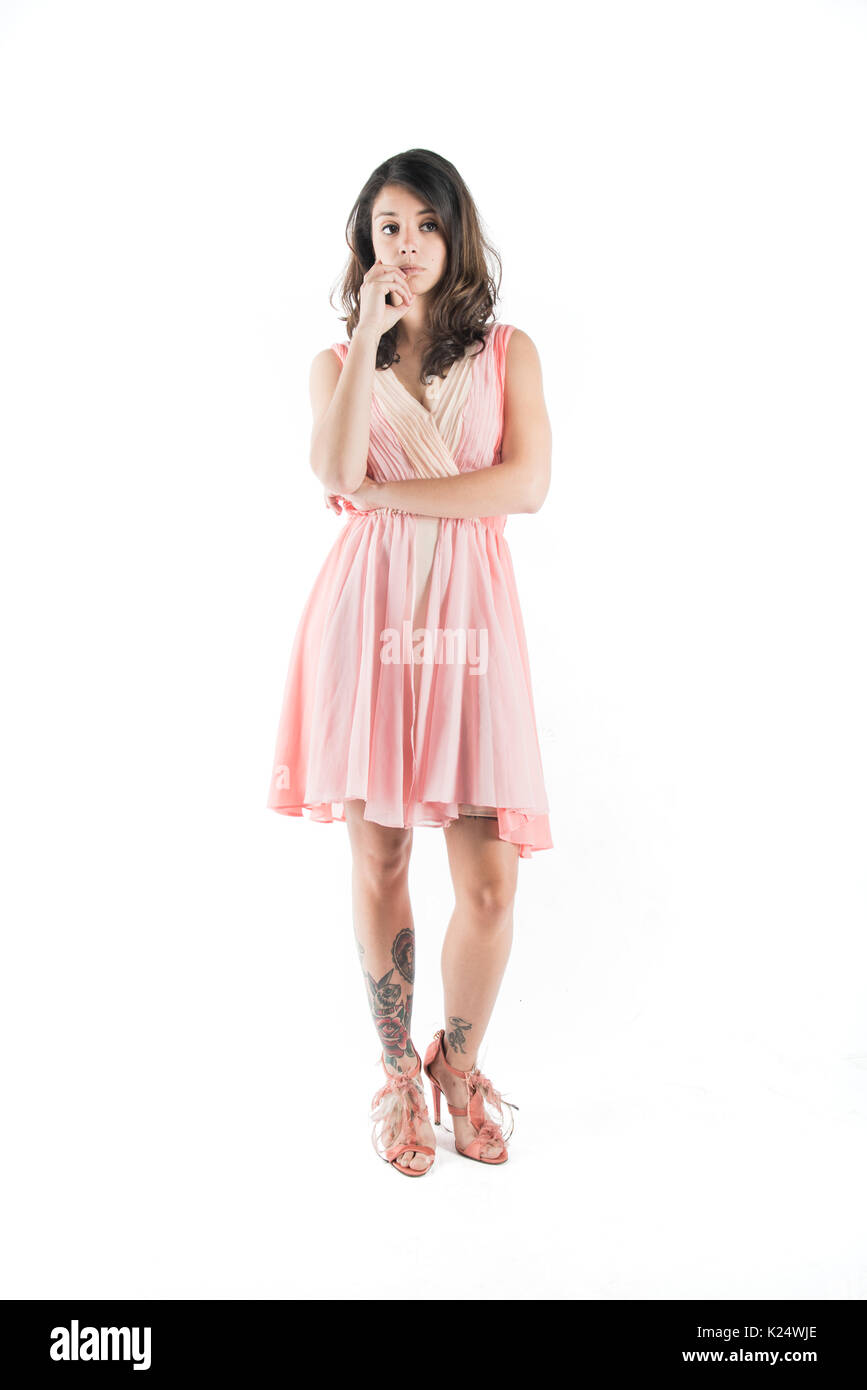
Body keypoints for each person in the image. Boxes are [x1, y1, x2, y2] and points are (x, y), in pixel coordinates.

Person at [266, 149, 552, 1176]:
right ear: (366, 244)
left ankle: (458, 1065)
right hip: (368, 619)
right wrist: (369, 337)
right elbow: (335, 471)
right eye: (388, 227)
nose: (408, 244)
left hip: (471, 627)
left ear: (454, 234)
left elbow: (523, 486)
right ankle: (397, 1076)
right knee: (379, 855)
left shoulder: (509, 350)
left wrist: (388, 500)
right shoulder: (337, 365)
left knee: (488, 880)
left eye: (425, 225)